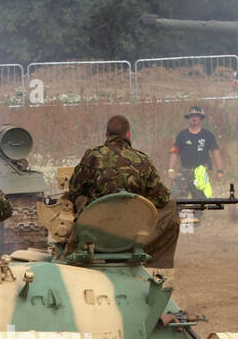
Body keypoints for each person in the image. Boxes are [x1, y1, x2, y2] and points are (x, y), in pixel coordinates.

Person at [68, 114, 179, 268]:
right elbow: (161, 198)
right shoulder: (143, 160)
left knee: (78, 199)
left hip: (96, 229)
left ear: (106, 135)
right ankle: (156, 263)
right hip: (131, 231)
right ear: (128, 135)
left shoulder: (92, 156)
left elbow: (74, 189)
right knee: (171, 207)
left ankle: (75, 248)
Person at [168, 106, 225, 197]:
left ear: (201, 118)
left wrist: (220, 171)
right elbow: (175, 152)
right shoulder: (182, 135)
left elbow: (215, 153)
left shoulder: (208, 135)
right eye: (192, 116)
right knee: (175, 199)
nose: (194, 118)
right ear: (188, 118)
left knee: (200, 202)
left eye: (197, 116)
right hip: (184, 171)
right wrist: (171, 170)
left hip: (201, 173)